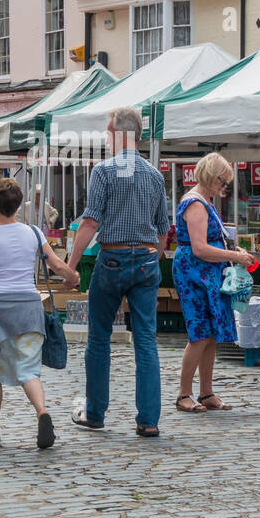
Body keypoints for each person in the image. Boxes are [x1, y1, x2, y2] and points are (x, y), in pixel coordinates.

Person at [65, 107, 167, 436]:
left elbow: (91, 221)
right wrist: (153, 257)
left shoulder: (105, 171)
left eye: (108, 132)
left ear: (118, 134)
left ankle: (95, 412)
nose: (106, 138)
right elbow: (163, 229)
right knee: (146, 340)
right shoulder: (154, 174)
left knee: (99, 338)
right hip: (147, 258)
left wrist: (70, 265)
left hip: (112, 258)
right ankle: (149, 420)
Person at [0, 177, 77, 448]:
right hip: (29, 306)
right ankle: (42, 411)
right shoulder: (34, 233)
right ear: (18, 206)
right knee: (29, 368)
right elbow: (55, 264)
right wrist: (72, 277)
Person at [172, 153, 255, 414]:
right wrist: (234, 256)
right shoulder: (195, 203)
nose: (224, 186)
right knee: (199, 333)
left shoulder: (204, 200)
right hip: (195, 272)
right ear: (210, 176)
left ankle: (206, 392)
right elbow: (199, 248)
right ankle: (184, 393)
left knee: (210, 334)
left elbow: (211, 240)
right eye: (222, 180)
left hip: (207, 271)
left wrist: (232, 250)